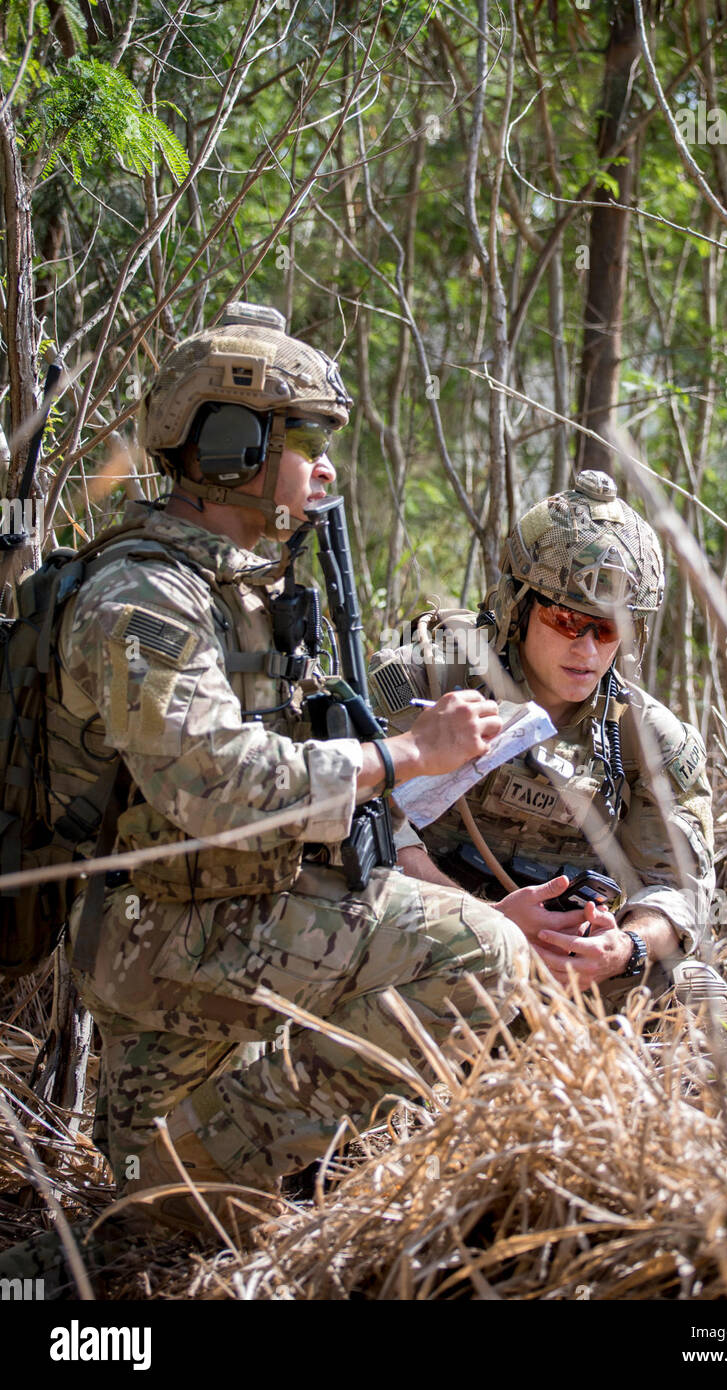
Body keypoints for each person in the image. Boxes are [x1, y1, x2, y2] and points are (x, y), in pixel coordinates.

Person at [50, 301, 530, 1235]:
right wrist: (402, 755)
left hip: (217, 927)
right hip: (171, 938)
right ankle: (216, 1177)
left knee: (168, 1226)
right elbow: (214, 783)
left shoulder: (242, 587)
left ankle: (230, 1174)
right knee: (478, 953)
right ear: (231, 445)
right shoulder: (142, 595)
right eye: (305, 438)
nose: (324, 467)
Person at [369, 474, 727, 1012]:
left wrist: (622, 945)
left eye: (609, 630)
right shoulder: (424, 684)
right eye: (567, 620)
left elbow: (677, 886)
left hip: (561, 961)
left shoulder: (647, 738)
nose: (586, 648)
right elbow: (365, 829)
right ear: (517, 607)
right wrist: (488, 923)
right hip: (428, 930)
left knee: (696, 990)